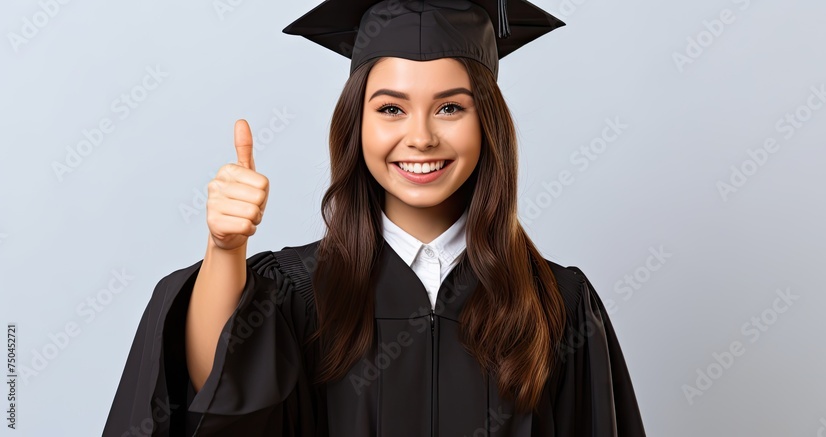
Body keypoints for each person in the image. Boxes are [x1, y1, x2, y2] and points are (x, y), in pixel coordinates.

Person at [103, 0, 647, 435]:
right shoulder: (299, 293)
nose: (420, 136)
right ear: (355, 126)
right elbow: (213, 398)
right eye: (390, 108)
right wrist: (224, 250)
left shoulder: (558, 304)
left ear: (489, 126)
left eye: (450, 107)